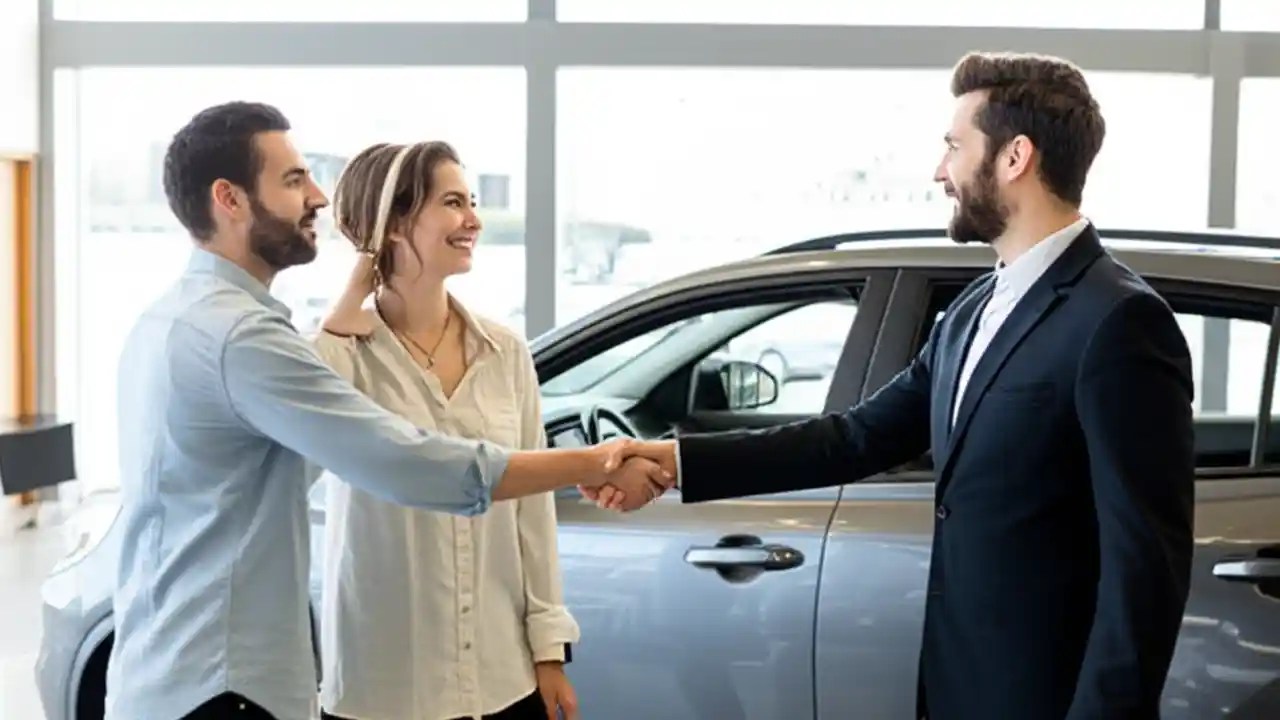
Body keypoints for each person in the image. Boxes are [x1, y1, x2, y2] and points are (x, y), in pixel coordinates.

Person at [594, 51, 1196, 720]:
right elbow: (857, 437)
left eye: (954, 146)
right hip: (956, 685)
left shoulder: (1118, 320)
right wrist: (678, 462)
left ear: (1014, 157)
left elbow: (1144, 571)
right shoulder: (971, 310)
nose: (940, 171)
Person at [106, 102, 670, 720]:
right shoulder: (261, 343)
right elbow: (412, 465)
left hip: (202, 674)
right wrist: (595, 462)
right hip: (256, 683)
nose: (316, 196)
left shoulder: (183, 320)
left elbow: (522, 517)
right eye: (294, 179)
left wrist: (547, 649)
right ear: (230, 199)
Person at [311, 141, 579, 720]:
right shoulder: (338, 355)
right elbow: (301, 456)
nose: (474, 220)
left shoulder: (505, 352)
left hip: (500, 680)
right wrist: (353, 291)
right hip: (382, 689)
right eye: (453, 202)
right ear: (395, 221)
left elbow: (533, 511)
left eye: (472, 201)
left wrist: (548, 653)